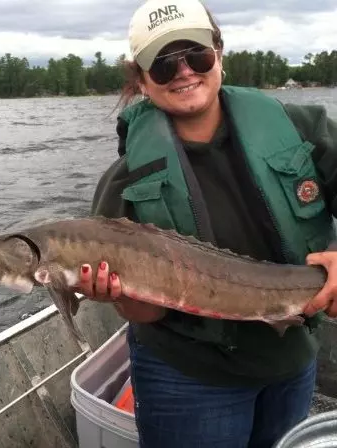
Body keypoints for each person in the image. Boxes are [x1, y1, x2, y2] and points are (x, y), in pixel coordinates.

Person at [76, 0, 337, 446]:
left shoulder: (303, 128)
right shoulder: (123, 184)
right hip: (188, 378)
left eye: (195, 54)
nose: (182, 71)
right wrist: (120, 296)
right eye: (161, 65)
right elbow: (148, 312)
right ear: (140, 79)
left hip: (292, 358)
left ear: (218, 52)